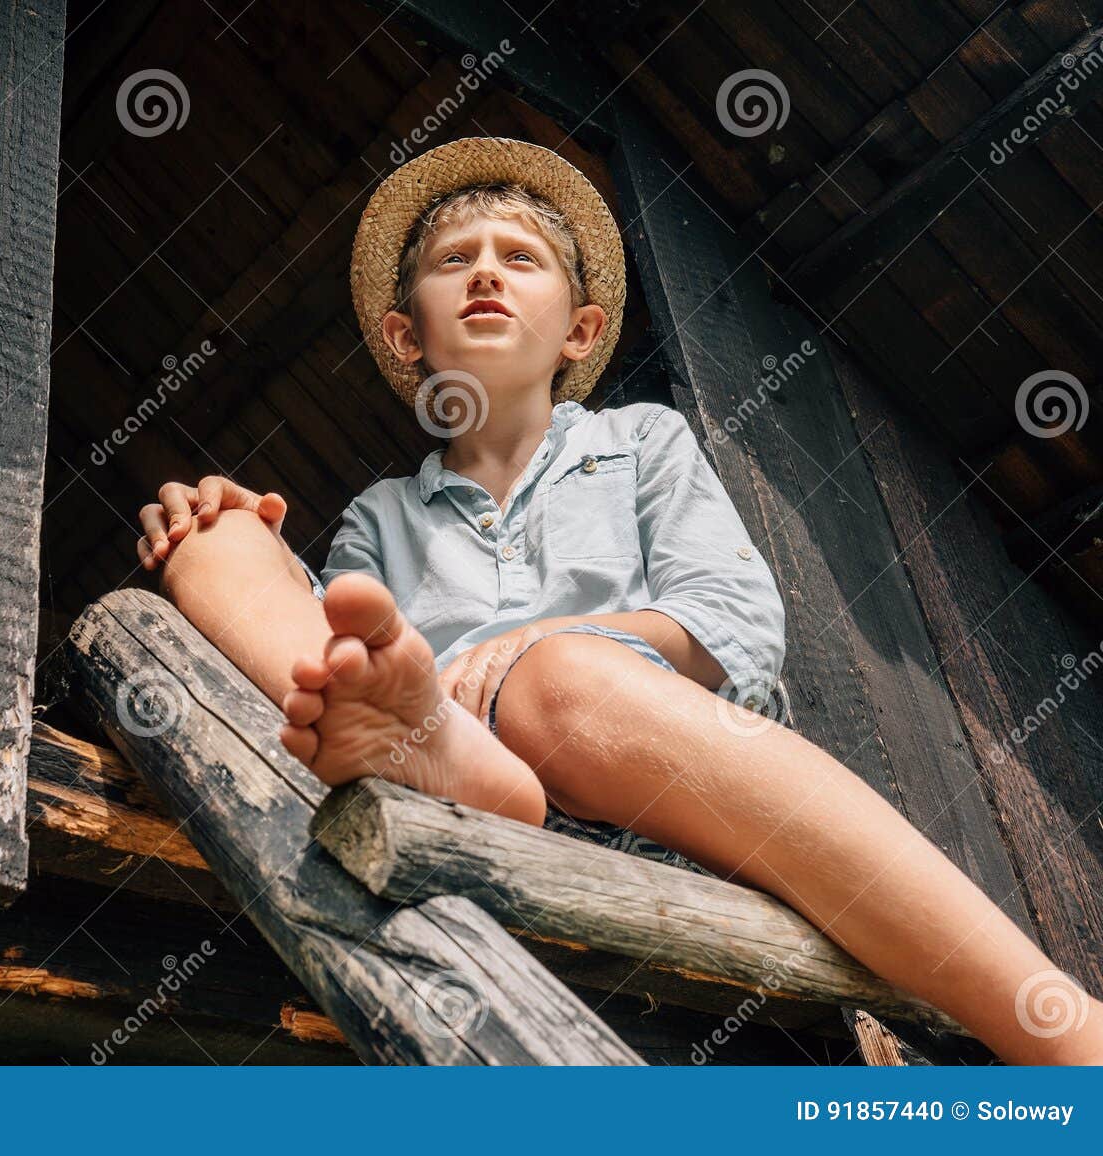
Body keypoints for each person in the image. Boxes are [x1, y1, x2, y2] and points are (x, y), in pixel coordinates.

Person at [134, 137, 1101, 1064]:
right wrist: (221, 521)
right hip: (438, 772)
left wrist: (538, 646)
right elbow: (340, 643)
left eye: (519, 257)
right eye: (454, 261)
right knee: (213, 534)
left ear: (581, 330)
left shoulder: (642, 442)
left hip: (650, 792)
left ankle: (1061, 1031)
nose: (485, 272)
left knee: (562, 681)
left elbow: (734, 619)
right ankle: (455, 761)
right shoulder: (381, 516)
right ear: (406, 334)